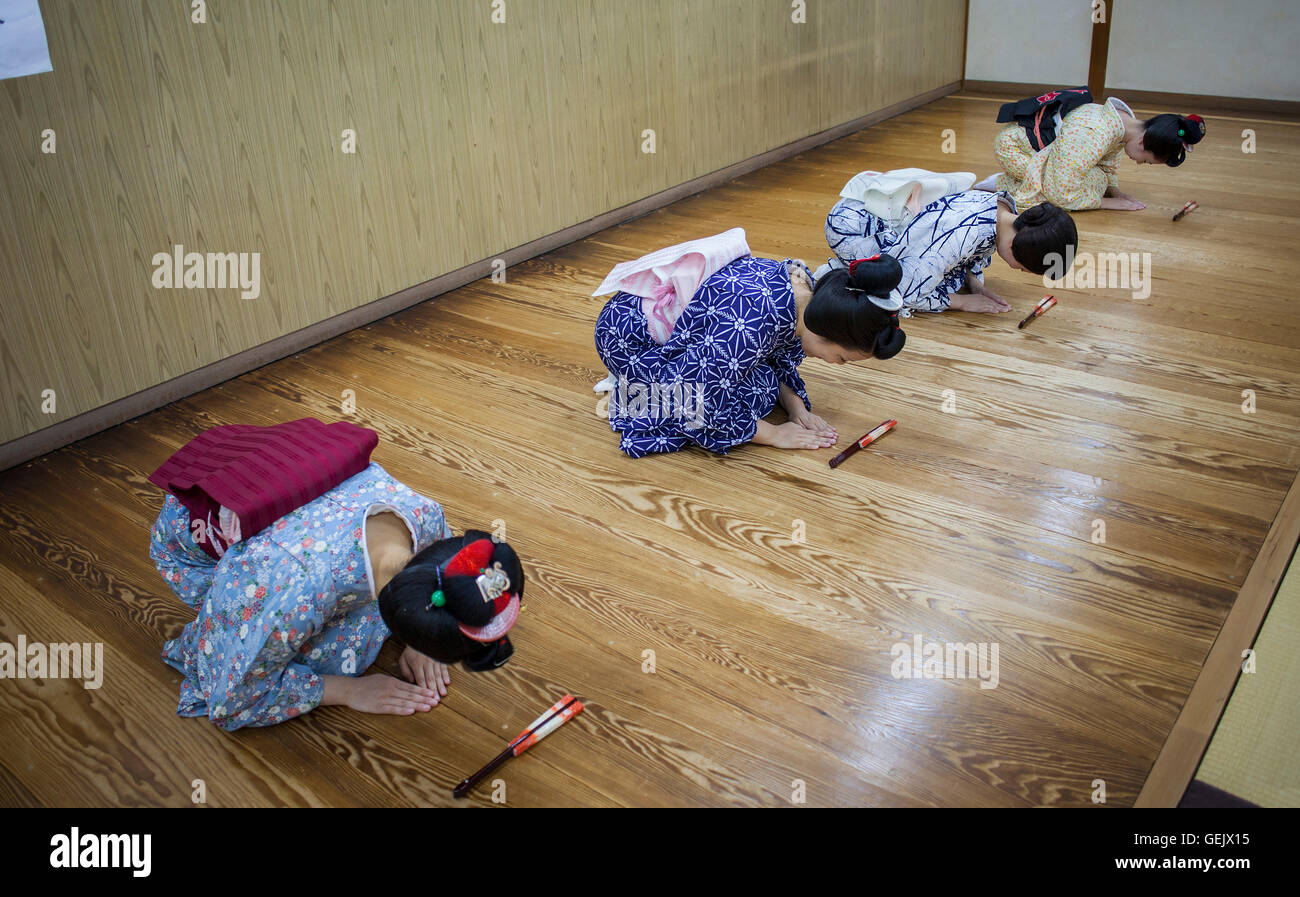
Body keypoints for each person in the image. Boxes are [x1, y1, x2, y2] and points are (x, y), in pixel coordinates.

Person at [151, 460, 521, 731]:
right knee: (333, 656)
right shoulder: (289, 596)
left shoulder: (425, 517)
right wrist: (346, 690)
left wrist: (421, 639)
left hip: (262, 478)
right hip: (203, 541)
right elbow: (231, 699)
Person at [593, 250, 906, 456]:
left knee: (766, 382)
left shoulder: (801, 293)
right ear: (828, 330)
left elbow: (772, 353)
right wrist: (772, 434)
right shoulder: (751, 323)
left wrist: (797, 409)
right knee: (756, 391)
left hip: (680, 327)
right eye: (841, 358)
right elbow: (696, 399)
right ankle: (633, 396)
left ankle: (654, 382)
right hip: (628, 337)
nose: (834, 364)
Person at [817, 184, 1078, 314]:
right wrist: (964, 302)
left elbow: (971, 256)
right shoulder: (963, 234)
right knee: (888, 284)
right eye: (1022, 267)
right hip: (854, 225)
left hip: (888, 214)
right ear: (1013, 246)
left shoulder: (1003, 211)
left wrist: (976, 285)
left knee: (949, 279)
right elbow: (909, 292)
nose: (1018, 270)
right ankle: (842, 272)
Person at [978, 87, 1206, 211]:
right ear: (1143, 142)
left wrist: (1115, 191)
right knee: (1057, 193)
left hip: (1046, 146)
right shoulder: (1094, 133)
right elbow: (1062, 194)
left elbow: (1107, 168)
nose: (1139, 163)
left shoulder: (1124, 124)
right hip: (1016, 149)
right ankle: (1003, 184)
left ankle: (1017, 180)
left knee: (1098, 179)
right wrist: (1107, 203)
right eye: (1146, 160)